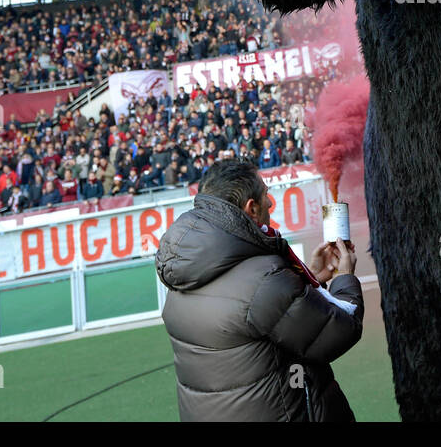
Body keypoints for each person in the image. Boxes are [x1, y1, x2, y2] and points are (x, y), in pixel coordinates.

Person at [155, 157, 363, 421]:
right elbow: (339, 332)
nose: (270, 202)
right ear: (251, 208)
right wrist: (345, 277)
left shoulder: (186, 272)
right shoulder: (264, 279)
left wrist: (311, 279)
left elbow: (266, 318)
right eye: (266, 194)